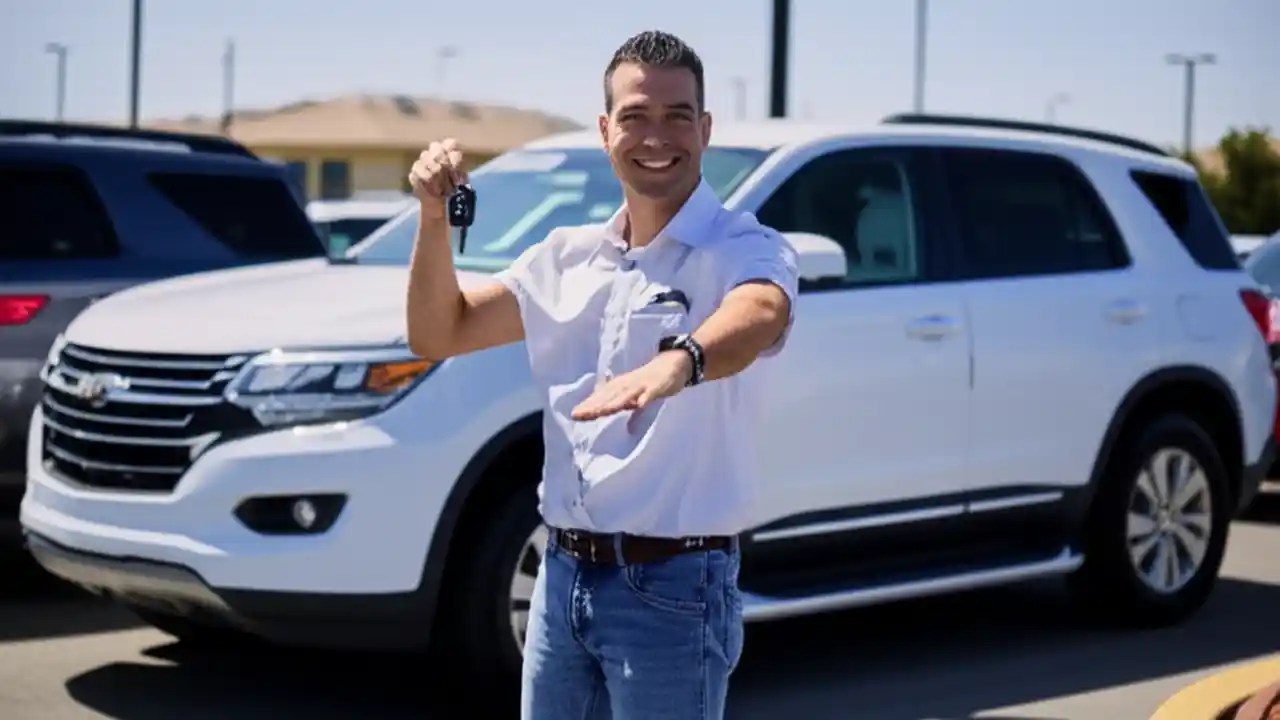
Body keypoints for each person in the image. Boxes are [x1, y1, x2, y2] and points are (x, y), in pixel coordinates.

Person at [405, 30, 799, 720]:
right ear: (604, 129)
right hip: (561, 580)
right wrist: (433, 218)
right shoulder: (566, 259)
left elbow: (762, 310)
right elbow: (440, 330)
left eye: (679, 116)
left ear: (705, 129)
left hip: (674, 589)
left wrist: (683, 360)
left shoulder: (743, 245)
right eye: (636, 116)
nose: (658, 135)